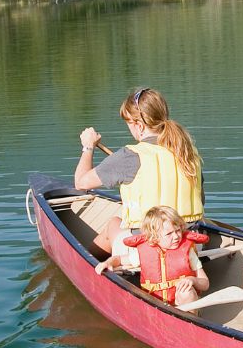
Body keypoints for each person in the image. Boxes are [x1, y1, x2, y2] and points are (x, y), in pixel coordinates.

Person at [75, 87, 205, 267]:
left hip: (148, 252)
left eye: (128, 124)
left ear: (139, 125)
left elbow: (81, 182)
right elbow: (200, 199)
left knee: (113, 224)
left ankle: (84, 265)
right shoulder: (188, 153)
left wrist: (88, 146)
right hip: (191, 247)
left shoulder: (130, 156)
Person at [98, 205, 210, 305]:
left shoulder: (187, 251)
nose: (176, 236)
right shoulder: (145, 252)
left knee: (187, 293)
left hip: (180, 305)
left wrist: (193, 280)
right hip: (154, 303)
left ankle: (188, 321)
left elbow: (205, 283)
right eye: (169, 233)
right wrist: (108, 263)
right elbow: (119, 260)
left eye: (178, 231)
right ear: (154, 237)